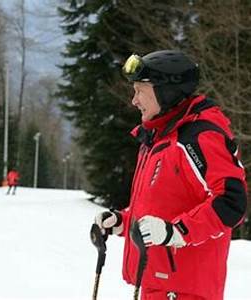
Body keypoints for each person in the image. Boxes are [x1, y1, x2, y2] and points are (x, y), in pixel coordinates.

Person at [93, 50, 247, 299]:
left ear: (166, 92)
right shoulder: (159, 138)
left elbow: (231, 203)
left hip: (186, 291)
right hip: (157, 286)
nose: (134, 101)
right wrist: (123, 222)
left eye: (140, 91)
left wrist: (177, 231)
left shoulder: (199, 137)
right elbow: (164, 208)